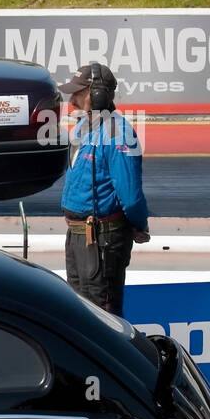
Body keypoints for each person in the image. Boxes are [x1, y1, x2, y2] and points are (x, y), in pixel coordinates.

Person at [58, 62, 151, 317]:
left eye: (78, 93)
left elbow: (131, 197)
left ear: (97, 95)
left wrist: (138, 224)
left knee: (102, 319)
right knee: (79, 317)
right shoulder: (81, 128)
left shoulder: (120, 134)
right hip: (79, 237)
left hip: (101, 240)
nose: (72, 99)